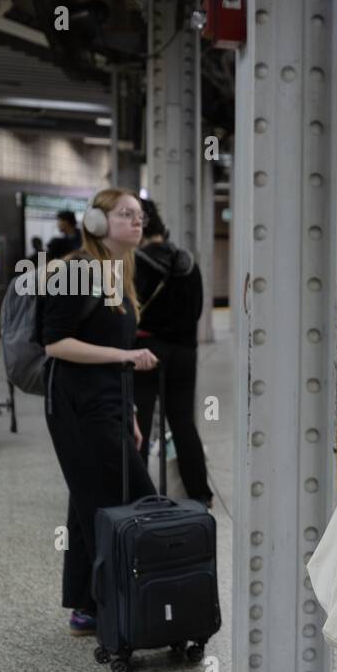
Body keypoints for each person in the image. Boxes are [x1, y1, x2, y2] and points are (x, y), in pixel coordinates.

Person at [40, 187, 158, 636]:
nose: (137, 222)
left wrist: (129, 412)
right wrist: (124, 361)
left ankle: (87, 605)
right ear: (95, 222)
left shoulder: (119, 271)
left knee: (87, 497)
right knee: (128, 496)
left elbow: (119, 345)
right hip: (75, 402)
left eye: (140, 215)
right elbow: (56, 343)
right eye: (126, 214)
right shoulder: (78, 271)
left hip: (108, 398)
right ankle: (119, 599)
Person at [131, 197, 213, 508]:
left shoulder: (137, 262)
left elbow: (129, 311)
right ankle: (200, 494)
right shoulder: (187, 261)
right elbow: (196, 309)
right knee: (182, 421)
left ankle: (137, 493)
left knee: (138, 419)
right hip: (184, 352)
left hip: (146, 350)